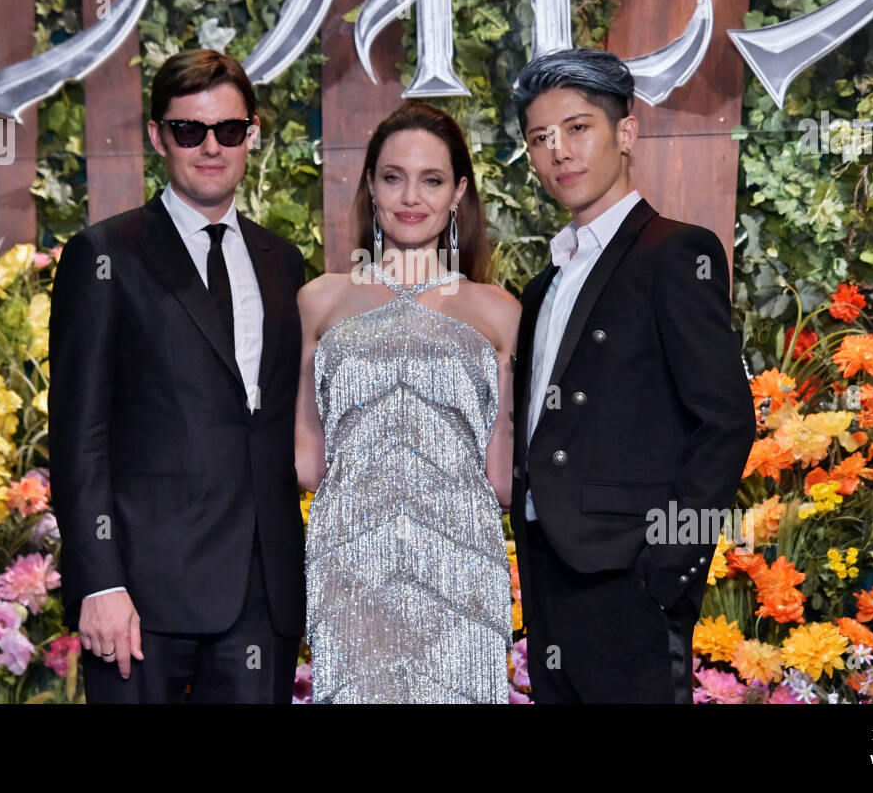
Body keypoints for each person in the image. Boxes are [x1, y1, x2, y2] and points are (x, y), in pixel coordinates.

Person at [49, 49, 307, 702]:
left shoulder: (285, 263)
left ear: (252, 134)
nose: (211, 147)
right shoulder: (106, 256)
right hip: (140, 597)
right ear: (157, 136)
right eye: (189, 131)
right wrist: (99, 582)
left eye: (229, 130)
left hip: (261, 593)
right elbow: (79, 437)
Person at [507, 48, 756, 703]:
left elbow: (727, 423)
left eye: (578, 127)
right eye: (541, 137)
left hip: (632, 585)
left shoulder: (675, 252)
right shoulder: (543, 287)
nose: (559, 150)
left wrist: (668, 573)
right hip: (548, 582)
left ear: (625, 132)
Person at [294, 100, 521, 703]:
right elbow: (306, 463)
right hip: (350, 571)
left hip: (462, 574)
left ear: (458, 193)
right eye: (393, 177)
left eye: (432, 179)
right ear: (370, 185)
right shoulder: (320, 302)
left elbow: (503, 480)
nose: (410, 196)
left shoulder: (498, 311)